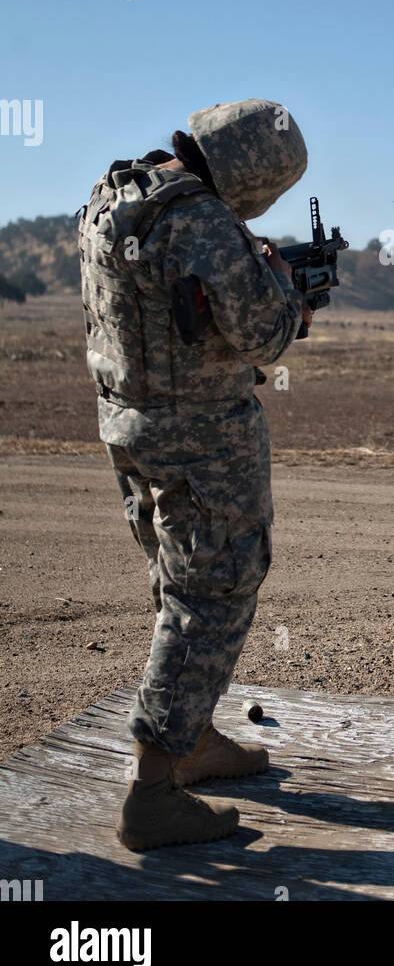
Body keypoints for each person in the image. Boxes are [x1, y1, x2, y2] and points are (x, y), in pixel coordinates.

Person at [78, 98, 310, 851]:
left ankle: (193, 739)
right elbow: (265, 338)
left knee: (176, 585)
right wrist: (287, 294)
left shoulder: (116, 193)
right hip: (203, 442)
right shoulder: (204, 221)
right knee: (210, 595)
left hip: (130, 426)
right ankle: (152, 793)